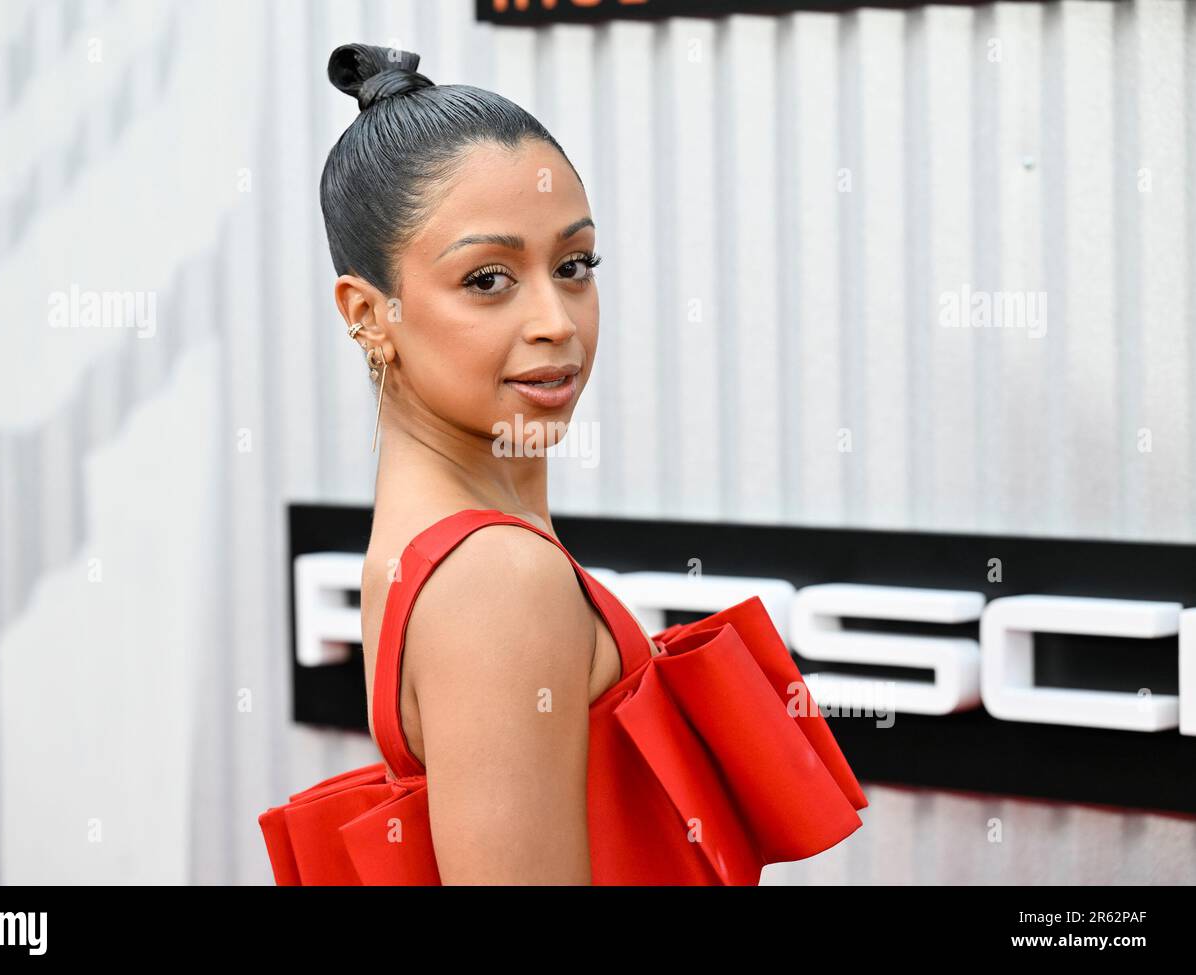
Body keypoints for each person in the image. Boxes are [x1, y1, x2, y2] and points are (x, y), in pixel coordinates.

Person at [258, 42, 868, 886]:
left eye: (574, 265)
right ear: (369, 313)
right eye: (487, 279)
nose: (556, 320)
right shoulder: (495, 576)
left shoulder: (442, 545)